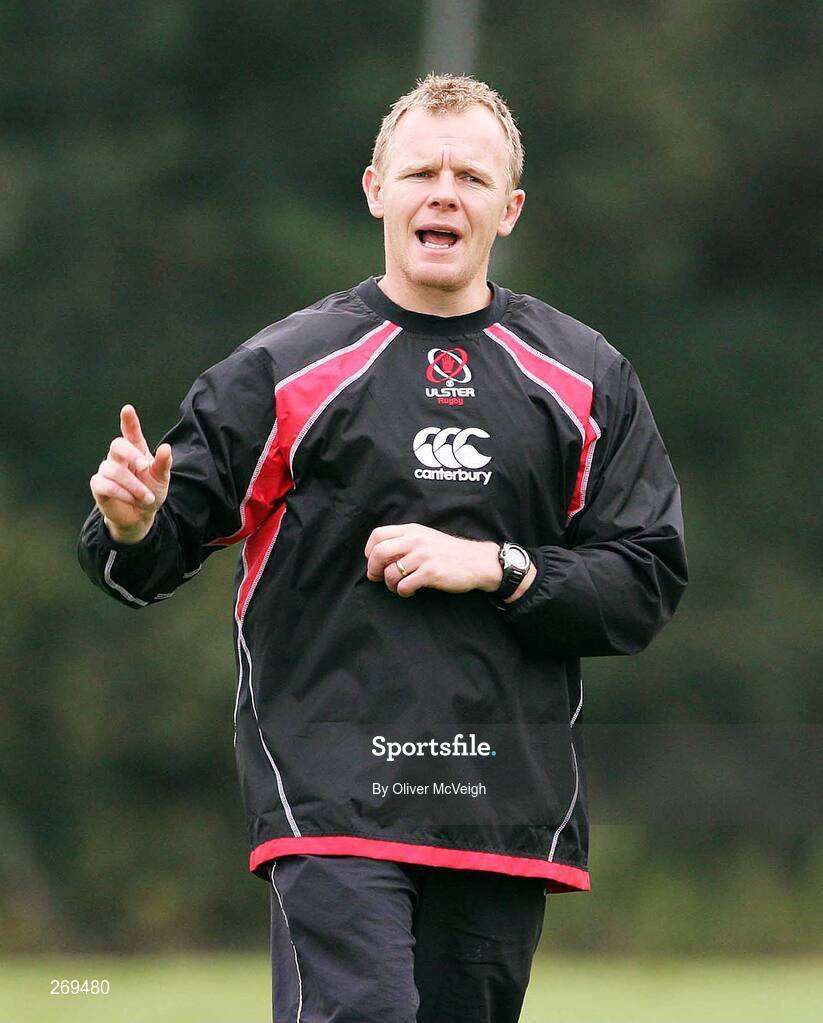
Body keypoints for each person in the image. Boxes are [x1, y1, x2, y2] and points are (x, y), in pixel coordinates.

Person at [78, 74, 687, 1023]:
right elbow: (152, 547)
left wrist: (500, 566)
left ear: (509, 208)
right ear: (376, 190)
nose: (444, 191)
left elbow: (644, 579)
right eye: (421, 171)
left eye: (471, 178)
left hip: (497, 800)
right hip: (333, 795)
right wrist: (132, 521)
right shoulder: (284, 367)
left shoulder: (584, 376)